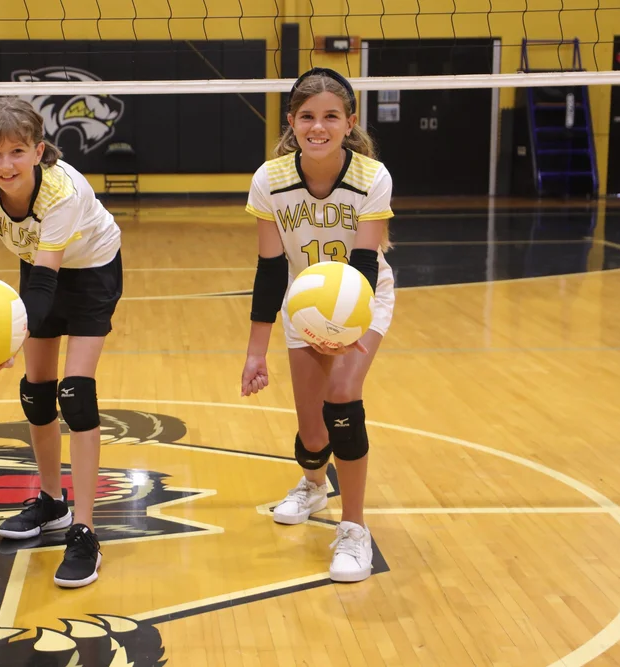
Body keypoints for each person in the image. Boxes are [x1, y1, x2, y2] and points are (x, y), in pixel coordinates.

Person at [0, 96, 123, 589]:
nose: (5, 165)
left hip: (90, 269)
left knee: (76, 392)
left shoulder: (61, 194)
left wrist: (1, 348)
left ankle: (85, 529)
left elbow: (45, 287)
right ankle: (51, 500)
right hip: (39, 265)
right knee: (35, 392)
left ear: (38, 150)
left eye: (17, 152)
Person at [240, 67, 395, 583]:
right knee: (312, 433)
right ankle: (313, 482)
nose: (318, 126)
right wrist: (255, 350)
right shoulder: (270, 180)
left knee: (343, 398)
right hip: (302, 302)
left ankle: (354, 530)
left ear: (349, 122)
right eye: (307, 116)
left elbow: (367, 262)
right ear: (292, 122)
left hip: (362, 298)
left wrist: (351, 329)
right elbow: (267, 269)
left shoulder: (372, 177)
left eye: (331, 116)